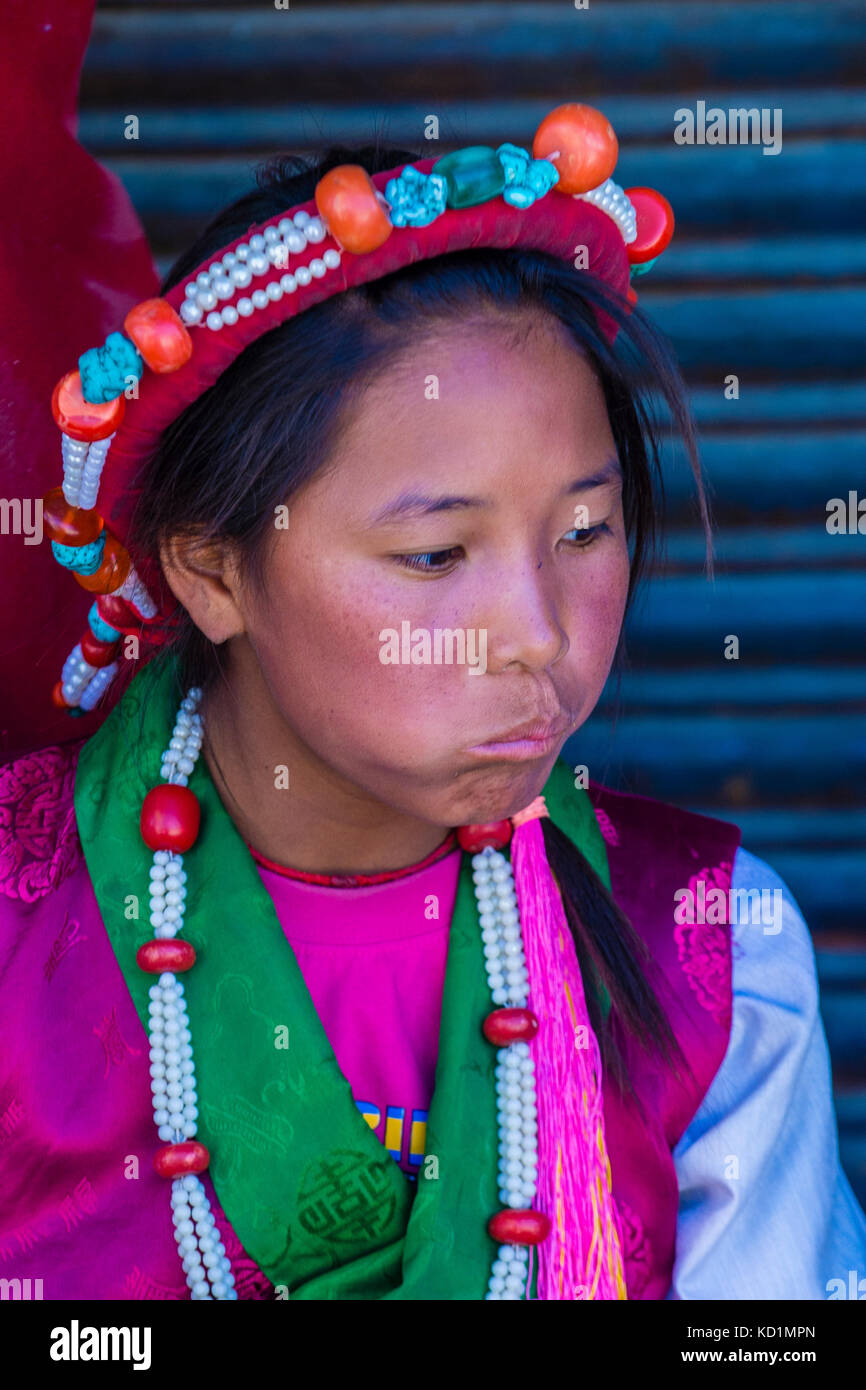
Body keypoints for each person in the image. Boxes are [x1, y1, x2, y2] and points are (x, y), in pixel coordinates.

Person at [1, 117, 864, 1301]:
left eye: (582, 531)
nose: (538, 634)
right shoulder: (18, 924)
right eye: (433, 553)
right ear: (209, 570)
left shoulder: (714, 950)